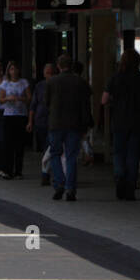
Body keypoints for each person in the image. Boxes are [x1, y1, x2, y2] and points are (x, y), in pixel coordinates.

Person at [102, 48, 140, 201]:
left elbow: (104, 100)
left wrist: (114, 101)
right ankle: (131, 186)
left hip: (119, 122)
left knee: (119, 153)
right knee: (133, 155)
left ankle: (119, 177)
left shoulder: (115, 78)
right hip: (137, 122)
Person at [45, 54, 94, 201]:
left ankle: (59, 182)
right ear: (72, 66)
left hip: (56, 123)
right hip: (74, 124)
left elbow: (46, 103)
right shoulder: (81, 82)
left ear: (58, 66)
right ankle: (70, 188)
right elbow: (86, 104)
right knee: (72, 156)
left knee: (55, 154)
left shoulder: (51, 82)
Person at [0, 62, 31, 179]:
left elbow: (29, 99)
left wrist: (20, 98)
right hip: (9, 115)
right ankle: (7, 170)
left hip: (21, 115)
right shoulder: (5, 83)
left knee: (19, 144)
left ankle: (18, 171)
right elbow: (0, 100)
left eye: (15, 68)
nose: (13, 71)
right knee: (8, 143)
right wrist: (7, 98)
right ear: (9, 71)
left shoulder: (24, 82)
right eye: (11, 69)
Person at [28, 63, 55, 185]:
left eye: (51, 72)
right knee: (45, 148)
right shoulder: (39, 86)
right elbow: (33, 105)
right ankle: (46, 173)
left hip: (54, 122)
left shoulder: (57, 85)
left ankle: (47, 173)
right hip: (41, 121)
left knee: (51, 148)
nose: (49, 75)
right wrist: (30, 121)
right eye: (47, 72)